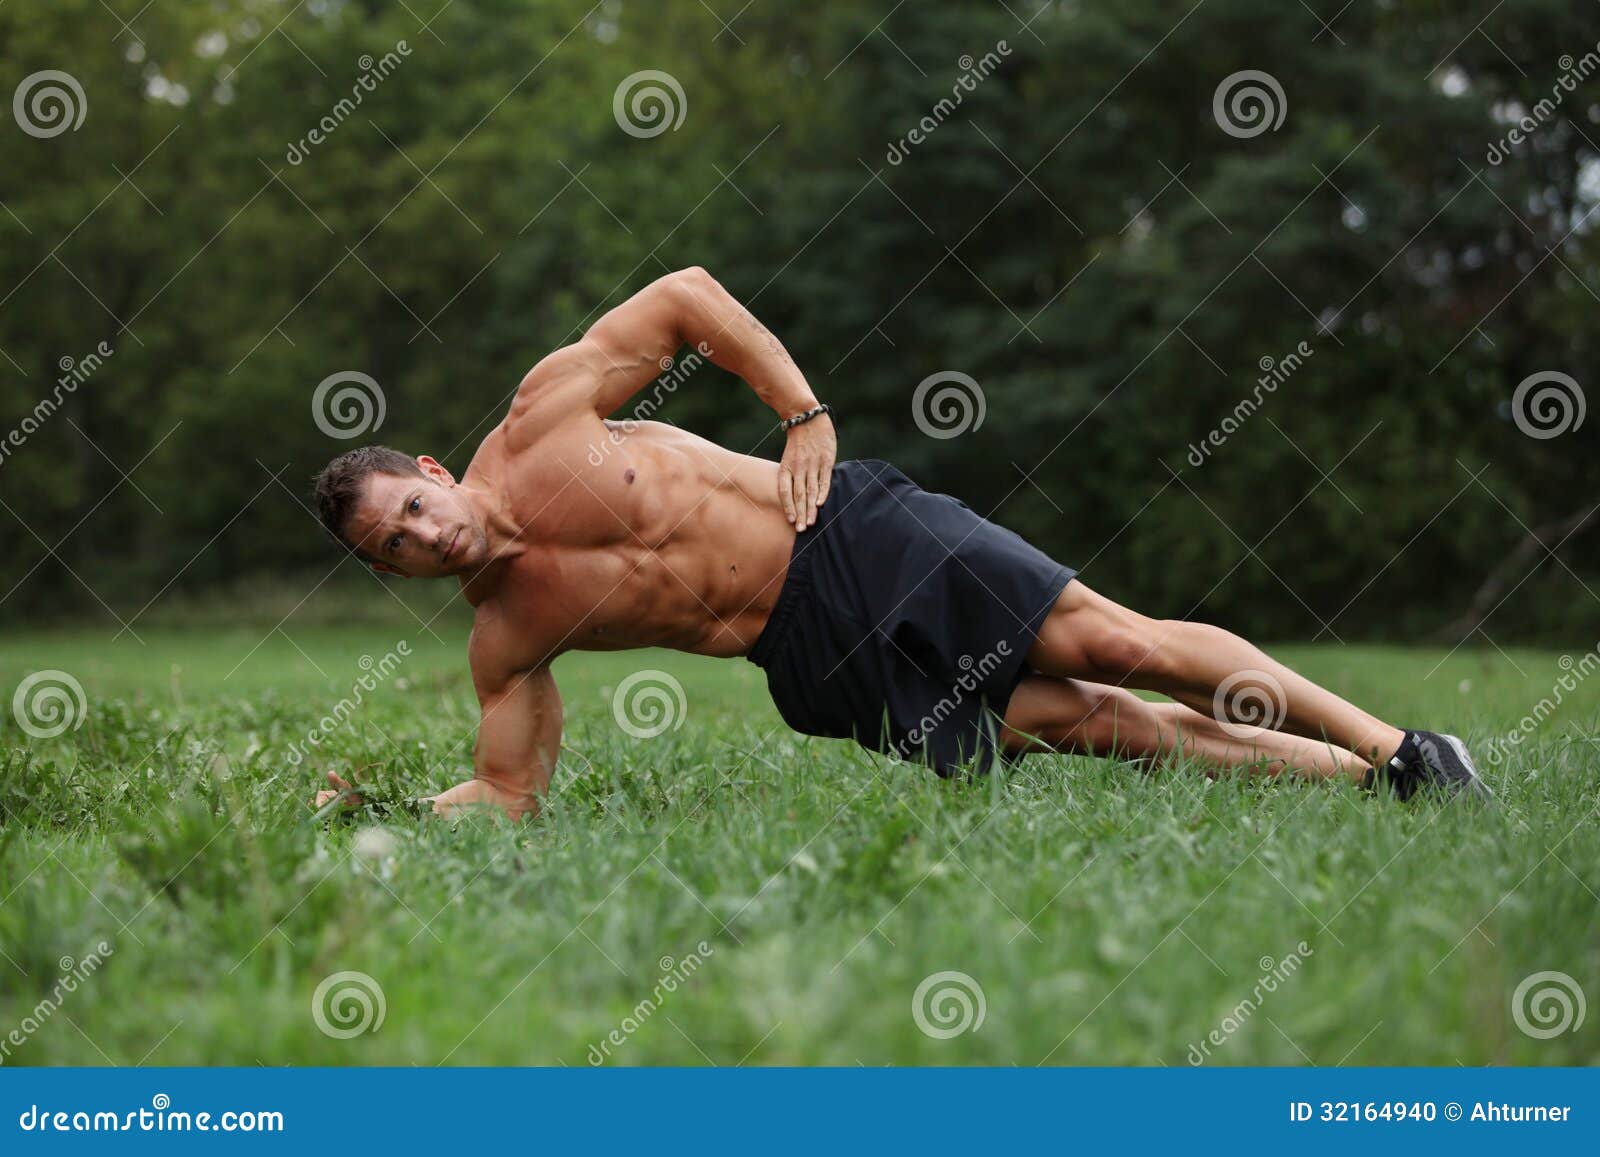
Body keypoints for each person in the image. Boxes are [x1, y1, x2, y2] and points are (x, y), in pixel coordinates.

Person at [309, 267, 1488, 820]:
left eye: (411, 506)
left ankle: (1403, 745)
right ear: (390, 571)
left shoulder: (541, 420)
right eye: (396, 547)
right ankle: (1375, 785)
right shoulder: (506, 637)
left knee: (1114, 643)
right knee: (1098, 727)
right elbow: (509, 790)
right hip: (809, 657)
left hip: (845, 530)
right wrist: (390, 812)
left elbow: (683, 299)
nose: (424, 535)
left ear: (430, 471)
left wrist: (801, 412)